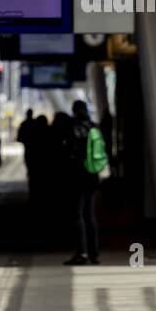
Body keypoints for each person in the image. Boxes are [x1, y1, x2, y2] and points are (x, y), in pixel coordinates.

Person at [64, 99, 102, 265]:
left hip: (78, 176)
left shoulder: (73, 128)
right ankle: (94, 253)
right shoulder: (94, 127)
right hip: (92, 176)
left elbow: (69, 152)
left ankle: (82, 252)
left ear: (74, 111)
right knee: (90, 215)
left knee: (77, 215)